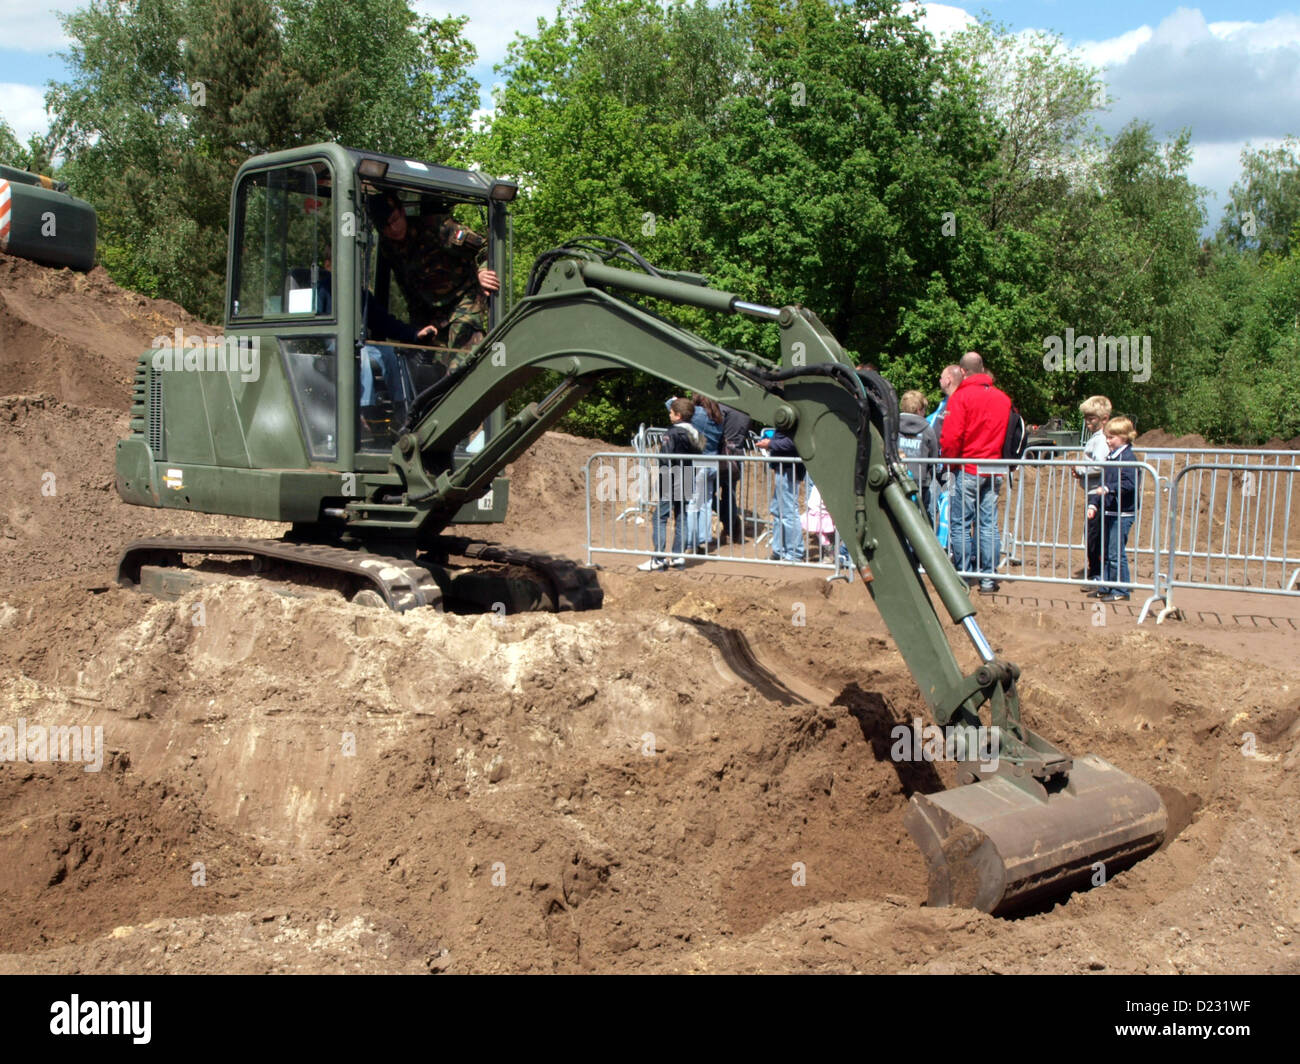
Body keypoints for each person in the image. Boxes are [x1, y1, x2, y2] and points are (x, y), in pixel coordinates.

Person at [371, 191, 500, 353]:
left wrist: (481, 272)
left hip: (462, 301)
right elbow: (406, 284)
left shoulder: (437, 227)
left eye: (394, 220)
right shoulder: (387, 247)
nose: (393, 229)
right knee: (425, 368)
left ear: (402, 212)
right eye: (385, 227)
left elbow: (484, 247)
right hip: (428, 312)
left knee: (464, 360)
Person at [939, 351, 1011, 593]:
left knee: (960, 523)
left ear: (962, 371)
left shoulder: (960, 398)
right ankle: (988, 578)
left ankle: (963, 575)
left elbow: (951, 437)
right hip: (993, 466)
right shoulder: (1003, 399)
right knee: (988, 524)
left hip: (968, 466)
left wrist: (949, 462)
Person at [638, 397, 704, 571]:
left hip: (671, 478)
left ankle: (659, 558)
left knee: (660, 517)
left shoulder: (671, 433)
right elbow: (700, 451)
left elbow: (665, 458)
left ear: (679, 415)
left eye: (671, 412)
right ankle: (678, 556)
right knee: (681, 516)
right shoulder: (695, 432)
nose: (669, 414)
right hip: (688, 476)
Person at [1093, 416, 1140, 602]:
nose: (1108, 440)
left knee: (1115, 552)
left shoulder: (1128, 458)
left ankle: (1121, 590)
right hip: (1110, 510)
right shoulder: (1111, 456)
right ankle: (1106, 585)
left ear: (1124, 437)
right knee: (1106, 551)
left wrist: (1109, 489)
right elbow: (1104, 482)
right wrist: (1094, 503)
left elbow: (1129, 484)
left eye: (1112, 437)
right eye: (1107, 436)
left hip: (1123, 512)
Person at [1073, 395, 1113, 589]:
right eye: (1086, 418)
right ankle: (1096, 572)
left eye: (1092, 419)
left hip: (1097, 493)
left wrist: (1080, 470)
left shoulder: (1102, 440)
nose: (1087, 423)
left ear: (1103, 419)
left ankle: (1097, 575)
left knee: (1094, 534)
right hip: (1092, 490)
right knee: (1093, 533)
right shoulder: (1096, 439)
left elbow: (1100, 465)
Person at [755, 428, 805, 562]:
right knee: (777, 511)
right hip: (783, 467)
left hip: (789, 468)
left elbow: (794, 442)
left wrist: (770, 444)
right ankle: (779, 550)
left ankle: (794, 552)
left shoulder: (792, 420)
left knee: (788, 512)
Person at [686, 396, 725, 553]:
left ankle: (691, 541)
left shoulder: (696, 413)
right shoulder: (719, 417)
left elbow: (671, 404)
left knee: (693, 504)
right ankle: (703, 538)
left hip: (698, 462)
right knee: (706, 503)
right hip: (712, 462)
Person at [897, 390, 939, 519]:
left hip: (897, 479)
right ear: (920, 409)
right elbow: (934, 458)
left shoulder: (892, 426)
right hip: (921, 481)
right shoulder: (927, 430)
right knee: (921, 518)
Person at [715, 403, 752, 544]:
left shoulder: (722, 407)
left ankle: (732, 523)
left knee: (706, 495)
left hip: (723, 455)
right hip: (736, 454)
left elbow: (717, 431)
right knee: (729, 494)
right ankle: (731, 526)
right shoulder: (746, 409)